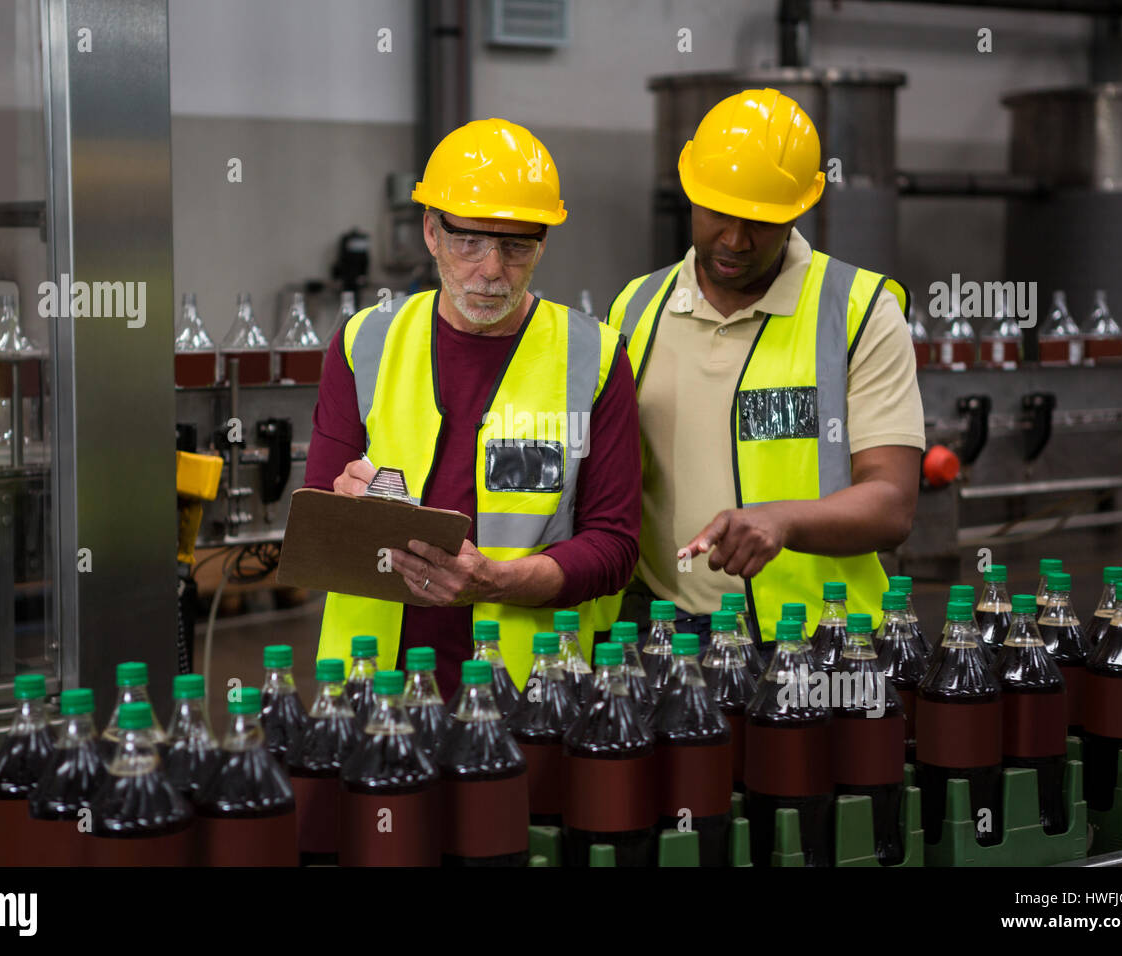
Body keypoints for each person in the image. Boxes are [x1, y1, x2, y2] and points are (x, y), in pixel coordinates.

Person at [304, 118, 640, 698]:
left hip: (531, 686)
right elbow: (313, 523)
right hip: (373, 682)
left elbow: (613, 545)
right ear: (431, 232)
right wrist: (346, 507)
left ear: (543, 242)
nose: (491, 270)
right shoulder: (366, 341)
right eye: (469, 242)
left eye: (515, 246)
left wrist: (495, 581)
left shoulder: (595, 357)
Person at [605, 88, 924, 657]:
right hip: (663, 633)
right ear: (689, 194)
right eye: (716, 214)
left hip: (820, 636)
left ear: (800, 210)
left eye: (759, 222)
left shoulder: (859, 310)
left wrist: (783, 522)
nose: (733, 240)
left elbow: (892, 501)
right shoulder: (637, 307)